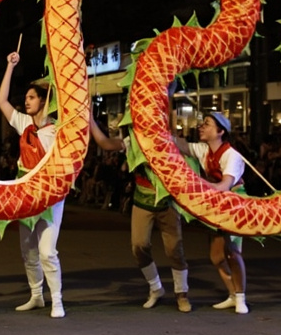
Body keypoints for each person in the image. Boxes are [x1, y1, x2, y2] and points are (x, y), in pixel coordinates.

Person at [89, 118, 192, 312]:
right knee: (139, 246)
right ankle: (155, 288)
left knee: (174, 249)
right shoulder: (132, 141)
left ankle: (182, 294)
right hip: (142, 199)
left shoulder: (167, 139)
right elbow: (104, 142)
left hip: (167, 201)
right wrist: (90, 118)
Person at [0, 51, 65, 318]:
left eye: (31, 97)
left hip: (50, 196)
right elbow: (1, 100)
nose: (26, 101)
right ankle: (36, 295)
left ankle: (57, 300)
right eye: (25, 97)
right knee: (28, 250)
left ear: (44, 101)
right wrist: (9, 66)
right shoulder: (24, 124)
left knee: (48, 251)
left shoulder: (59, 130)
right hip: (24, 193)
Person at [175, 112, 249, 314]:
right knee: (216, 256)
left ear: (220, 131)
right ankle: (233, 294)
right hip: (216, 203)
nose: (201, 127)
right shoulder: (203, 149)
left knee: (233, 252)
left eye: (206, 124)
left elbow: (225, 185)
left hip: (234, 204)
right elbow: (178, 144)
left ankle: (241, 297)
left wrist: (198, 184)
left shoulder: (231, 155)